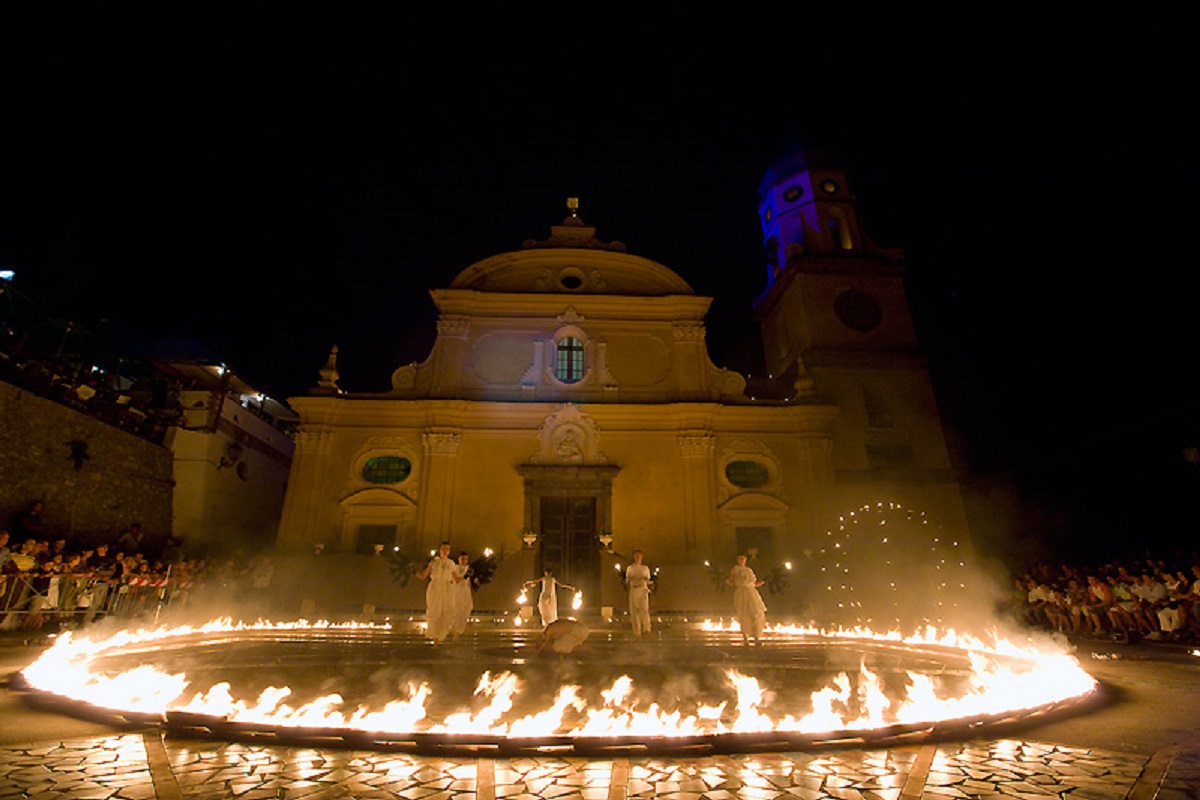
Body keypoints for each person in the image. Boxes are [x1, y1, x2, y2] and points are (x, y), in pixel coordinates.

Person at [416, 542, 456, 645]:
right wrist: (412, 571)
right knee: (435, 611)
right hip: (435, 588)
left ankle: (440, 637)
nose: (445, 551)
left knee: (445, 611)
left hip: (446, 589)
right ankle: (435, 639)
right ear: (440, 549)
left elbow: (455, 578)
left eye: (447, 549)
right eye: (443, 548)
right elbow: (423, 575)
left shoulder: (451, 563)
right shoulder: (434, 562)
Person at [727, 553, 767, 646]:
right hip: (741, 593)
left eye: (743, 558)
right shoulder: (735, 570)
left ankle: (757, 637)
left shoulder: (749, 570)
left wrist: (760, 583)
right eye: (739, 558)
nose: (741, 560)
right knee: (743, 615)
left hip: (752, 593)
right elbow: (732, 582)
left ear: (745, 559)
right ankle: (746, 639)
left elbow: (753, 584)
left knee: (756, 613)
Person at [624, 549, 653, 637]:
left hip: (643, 590)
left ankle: (646, 629)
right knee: (635, 611)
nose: (637, 558)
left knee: (644, 609)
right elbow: (627, 580)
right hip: (634, 590)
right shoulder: (630, 568)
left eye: (639, 556)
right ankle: (637, 631)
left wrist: (649, 582)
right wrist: (626, 580)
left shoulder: (645, 568)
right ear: (633, 557)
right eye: (636, 556)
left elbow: (648, 580)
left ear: (641, 557)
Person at [449, 551, 473, 641]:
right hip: (456, 591)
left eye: (466, 559)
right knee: (455, 611)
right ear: (459, 559)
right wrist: (466, 576)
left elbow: (470, 582)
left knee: (464, 611)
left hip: (465, 592)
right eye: (462, 559)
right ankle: (454, 633)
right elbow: (456, 579)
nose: (464, 561)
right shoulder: (454, 568)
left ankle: (458, 633)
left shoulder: (468, 568)